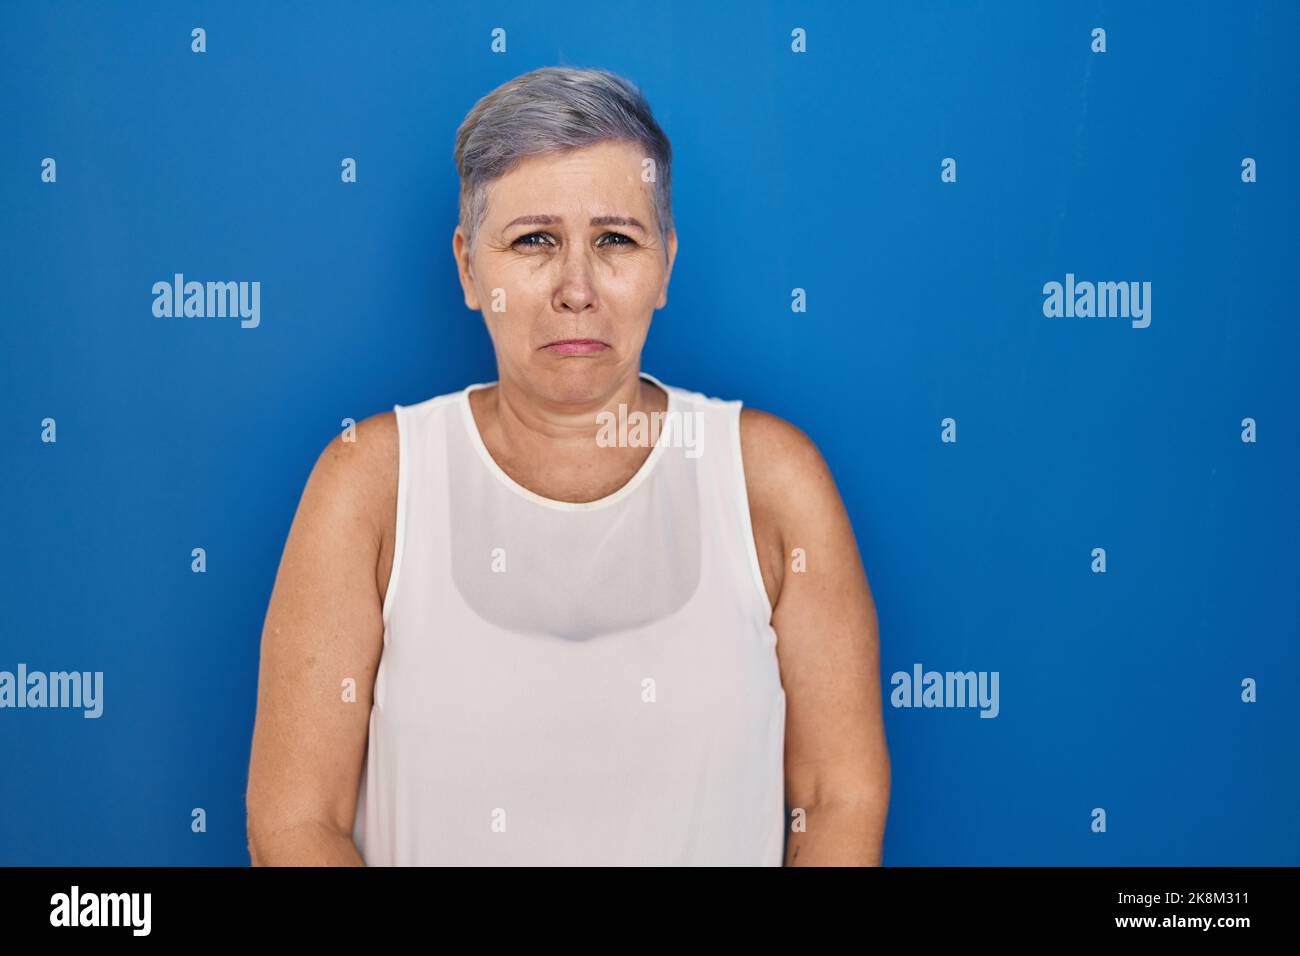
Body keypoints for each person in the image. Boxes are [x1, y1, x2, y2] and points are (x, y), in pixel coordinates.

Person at [245, 66, 889, 866]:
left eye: (615, 239)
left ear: (666, 263)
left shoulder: (771, 481)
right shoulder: (371, 484)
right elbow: (295, 821)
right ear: (468, 267)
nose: (576, 288)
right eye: (534, 241)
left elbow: (839, 798)